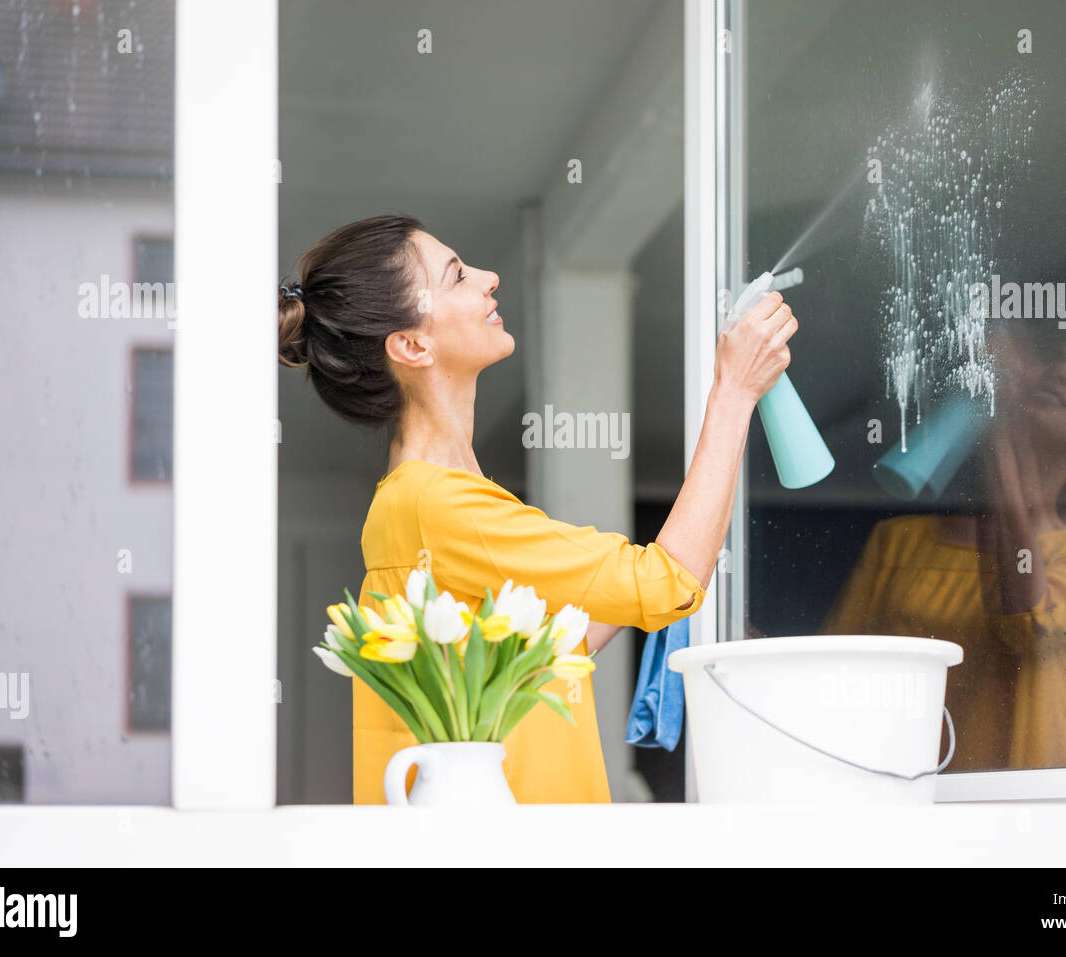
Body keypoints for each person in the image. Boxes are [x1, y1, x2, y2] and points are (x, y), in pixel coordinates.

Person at [279, 214, 799, 802]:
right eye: (456, 277)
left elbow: (565, 636)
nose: (489, 277)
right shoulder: (440, 506)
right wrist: (732, 393)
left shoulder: (418, 504)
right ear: (412, 344)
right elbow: (666, 582)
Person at [822, 330, 1066, 771]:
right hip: (901, 796)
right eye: (1055, 362)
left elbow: (1028, 623)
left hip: (1034, 811)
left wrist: (1001, 422)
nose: (1060, 373)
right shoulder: (898, 542)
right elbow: (830, 671)